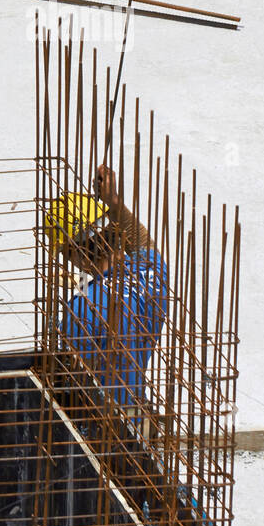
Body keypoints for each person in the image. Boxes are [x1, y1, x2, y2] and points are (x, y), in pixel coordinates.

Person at [46, 163, 168, 419]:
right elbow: (142, 243)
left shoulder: (79, 309)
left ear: (75, 255)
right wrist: (113, 202)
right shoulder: (153, 271)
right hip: (135, 414)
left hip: (101, 428)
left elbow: (72, 383)